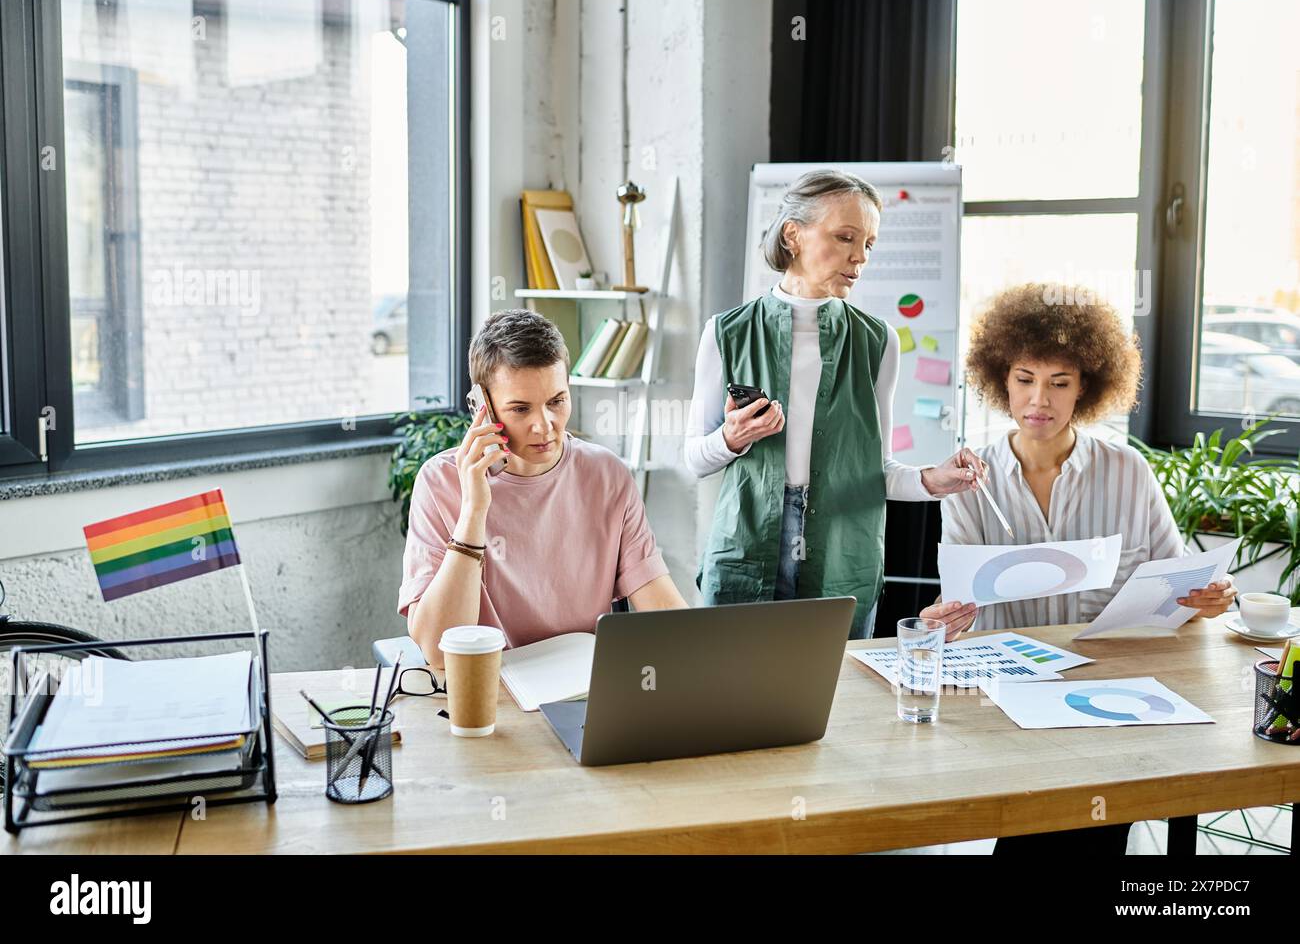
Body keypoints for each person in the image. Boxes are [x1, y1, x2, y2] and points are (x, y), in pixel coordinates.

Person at [925, 282, 1238, 856]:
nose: (1038, 399)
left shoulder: (1129, 472)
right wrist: (945, 620)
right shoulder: (969, 483)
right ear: (1002, 380)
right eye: (1024, 379)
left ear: (1086, 389)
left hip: (1111, 695)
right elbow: (961, 610)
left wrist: (1209, 597)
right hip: (1012, 699)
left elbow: (1178, 587)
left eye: (1058, 383)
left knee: (1090, 835)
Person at [686, 169, 984, 639]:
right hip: (746, 545)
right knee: (732, 697)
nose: (859, 257)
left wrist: (933, 480)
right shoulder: (727, 332)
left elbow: (876, 471)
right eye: (845, 237)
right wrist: (731, 438)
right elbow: (692, 459)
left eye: (869, 243)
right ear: (793, 235)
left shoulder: (878, 341)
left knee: (837, 701)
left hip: (844, 549)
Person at [400, 310, 687, 667]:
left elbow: (660, 607)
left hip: (582, 691)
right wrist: (474, 511)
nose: (544, 426)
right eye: (520, 409)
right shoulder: (440, 482)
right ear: (484, 408)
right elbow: (438, 651)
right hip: (491, 688)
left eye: (556, 402)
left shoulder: (607, 475)